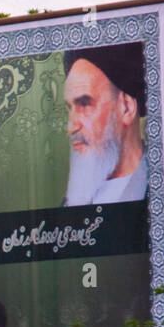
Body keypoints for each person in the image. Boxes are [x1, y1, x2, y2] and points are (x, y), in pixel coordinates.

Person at [61, 42, 148, 206]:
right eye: (70, 107)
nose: (71, 127)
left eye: (85, 104)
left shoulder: (158, 190)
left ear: (127, 107)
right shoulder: (68, 207)